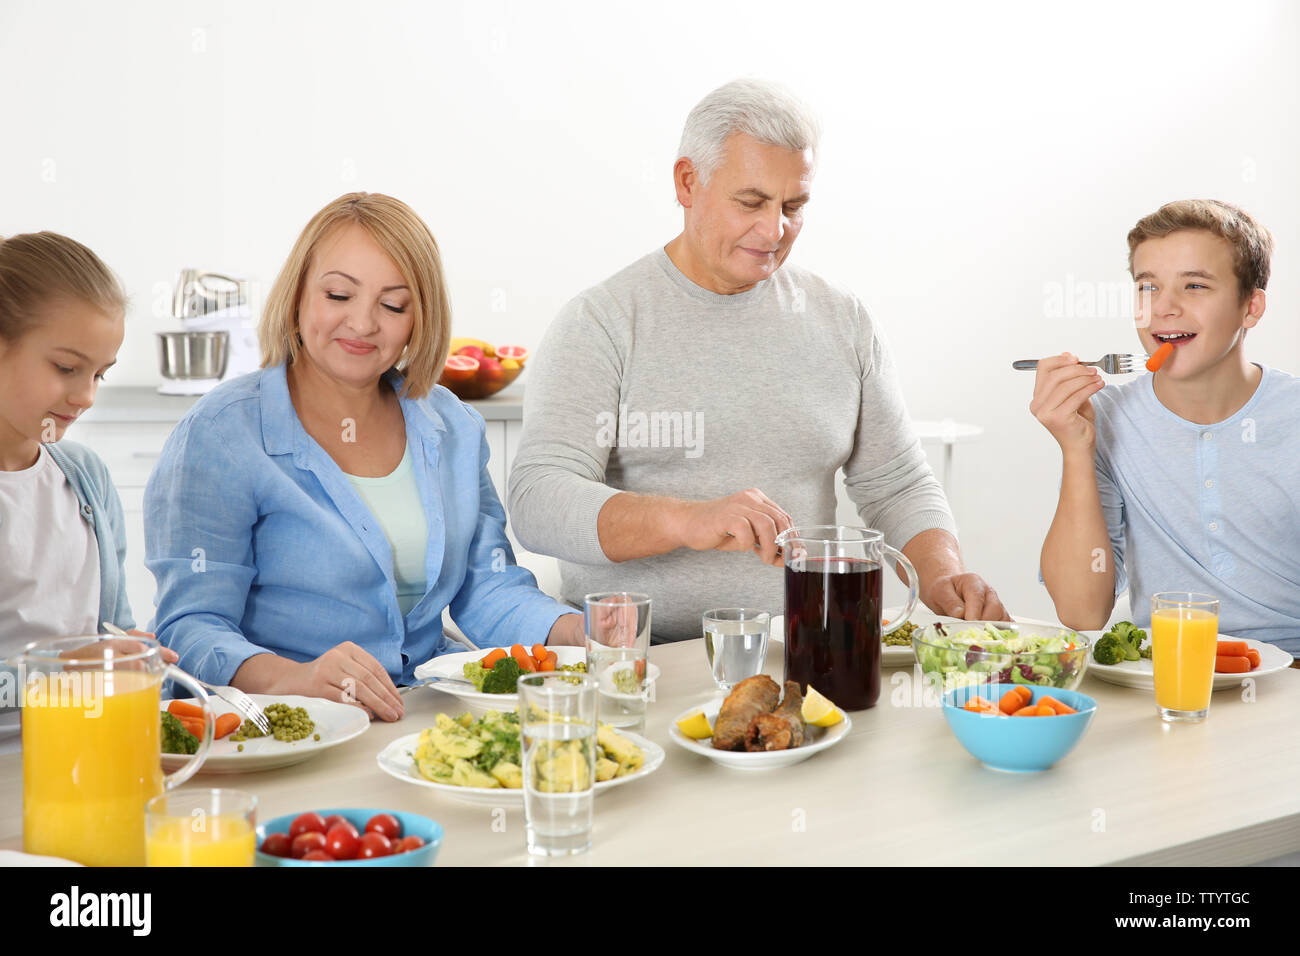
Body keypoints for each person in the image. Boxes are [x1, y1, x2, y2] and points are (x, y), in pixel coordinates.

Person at [508, 78, 1007, 640]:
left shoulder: (844, 319)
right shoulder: (599, 323)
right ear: (688, 182)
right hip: (644, 664)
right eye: (751, 203)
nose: (774, 231)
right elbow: (538, 499)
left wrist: (944, 575)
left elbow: (897, 484)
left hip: (811, 651)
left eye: (794, 206)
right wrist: (686, 519)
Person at [145, 193, 583, 721]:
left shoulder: (452, 426)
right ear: (298, 296)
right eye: (338, 295)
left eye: (392, 304)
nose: (362, 323)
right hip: (282, 723)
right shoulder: (222, 433)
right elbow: (190, 627)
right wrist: (297, 679)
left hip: (421, 714)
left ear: (420, 319)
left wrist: (584, 634)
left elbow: (486, 586)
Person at [1033, 199, 1299, 660]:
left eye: (1194, 285)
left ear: (1250, 307)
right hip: (1165, 677)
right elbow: (1082, 612)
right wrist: (1076, 450)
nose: (1164, 309)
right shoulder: (1106, 418)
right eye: (1147, 287)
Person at [0, 232, 139, 645]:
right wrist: (63, 674)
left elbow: (115, 630)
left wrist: (134, 655)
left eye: (99, 374)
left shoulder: (86, 477)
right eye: (66, 368)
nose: (87, 397)